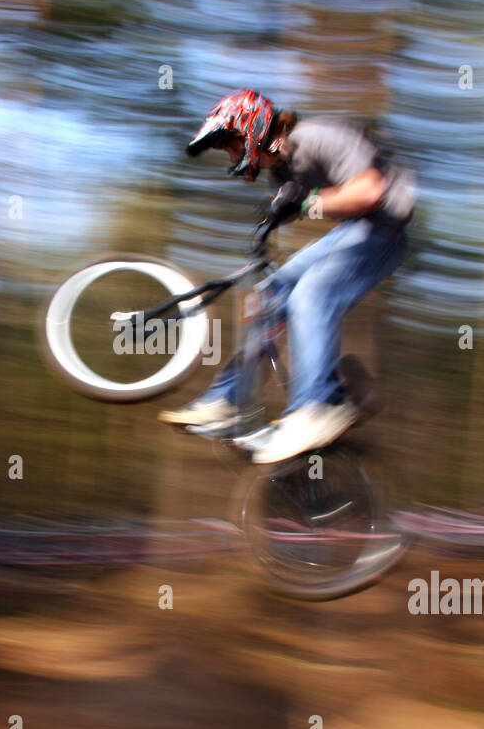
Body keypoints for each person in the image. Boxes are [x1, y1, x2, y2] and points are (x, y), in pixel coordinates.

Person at [158, 88, 415, 464]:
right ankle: (228, 400)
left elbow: (369, 192)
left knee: (311, 294)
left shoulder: (317, 137)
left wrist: (308, 202)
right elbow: (301, 206)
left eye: (230, 145)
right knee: (270, 292)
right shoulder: (281, 172)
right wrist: (275, 218)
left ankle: (317, 406)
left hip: (384, 228)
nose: (231, 156)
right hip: (352, 230)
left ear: (250, 128)